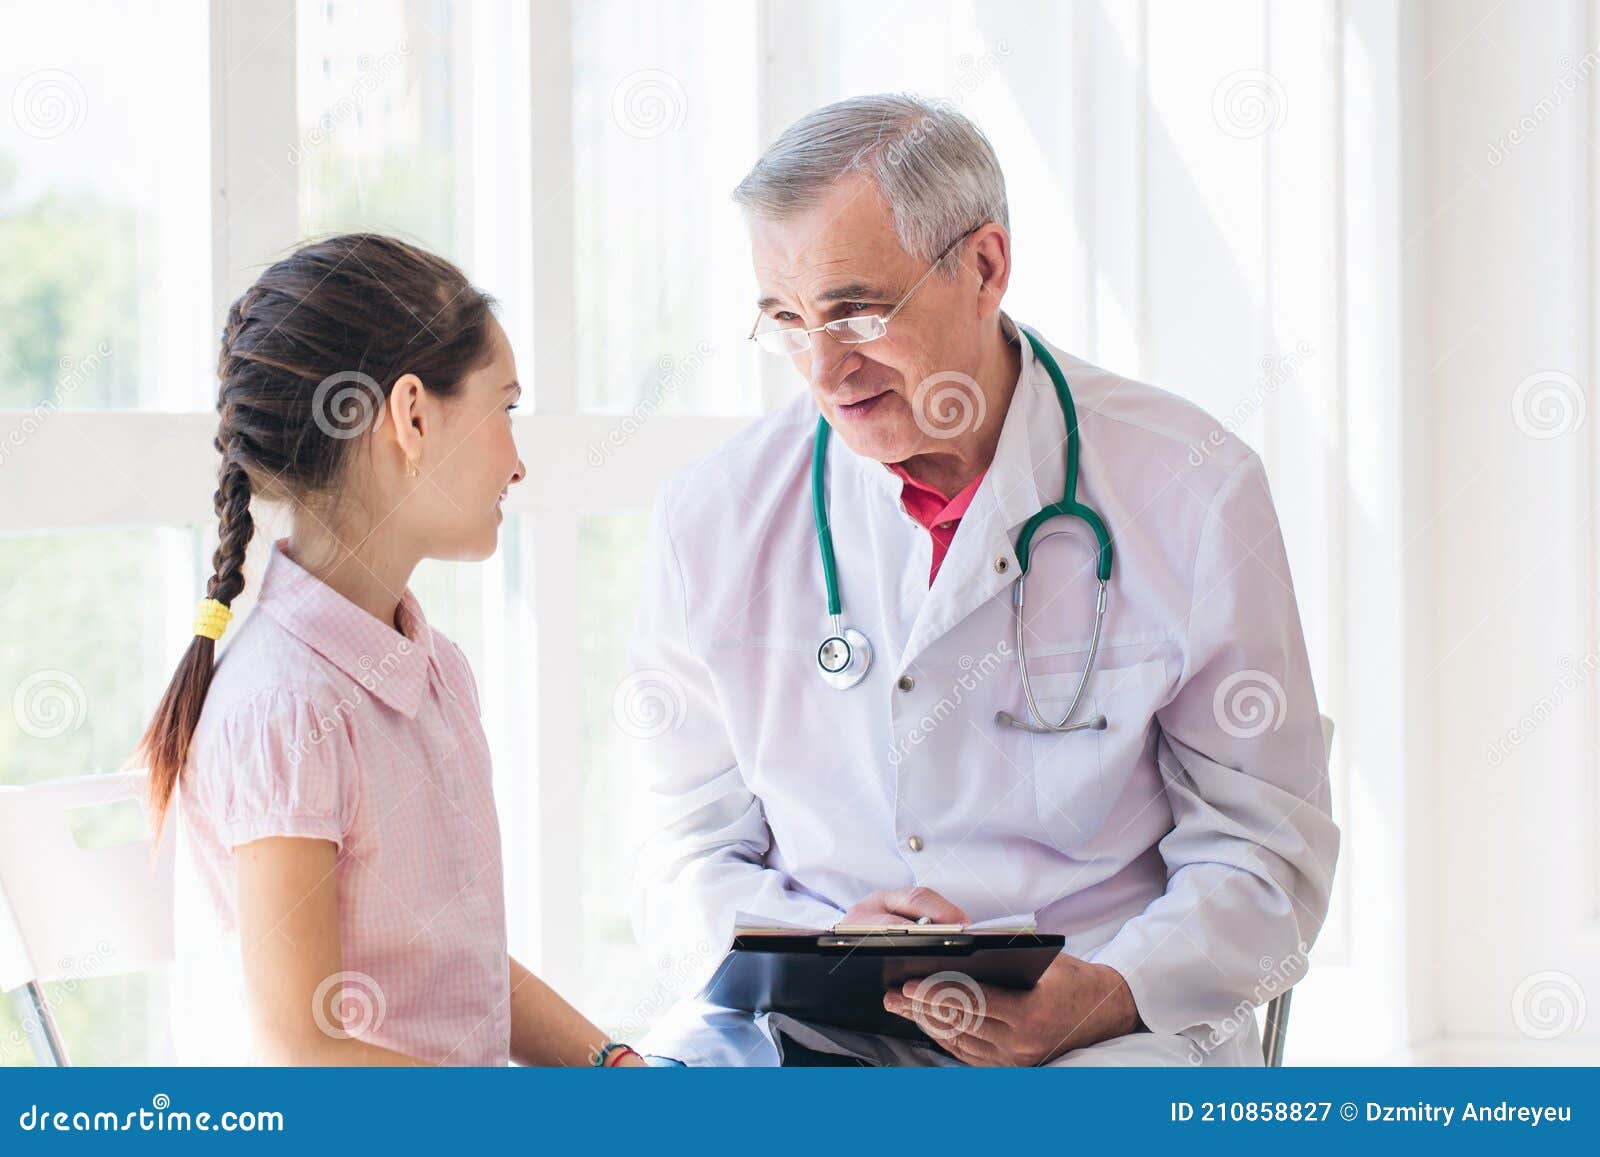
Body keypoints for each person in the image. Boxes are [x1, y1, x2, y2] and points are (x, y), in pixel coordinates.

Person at [629, 95, 1340, 1066]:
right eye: (786, 320)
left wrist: (1109, 991)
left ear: (984, 266)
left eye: (856, 311)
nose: (824, 368)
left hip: (1098, 1013)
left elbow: (1266, 851)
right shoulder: (713, 516)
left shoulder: (1191, 483)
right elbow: (680, 853)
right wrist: (815, 945)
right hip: (806, 1005)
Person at [138, 234, 642, 1068]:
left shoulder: (434, 665)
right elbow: (300, 1051)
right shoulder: (288, 706)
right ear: (411, 416)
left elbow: (467, 969)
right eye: (505, 409)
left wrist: (615, 1067)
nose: (517, 464)